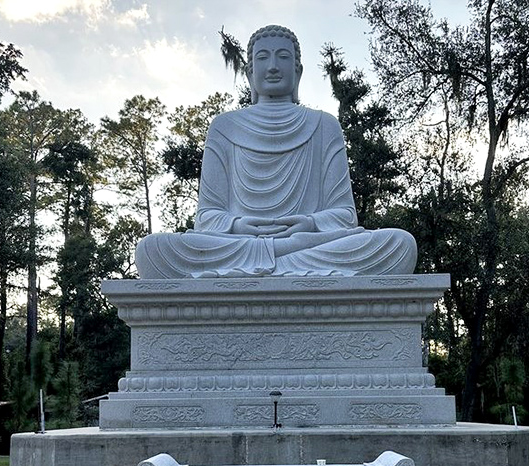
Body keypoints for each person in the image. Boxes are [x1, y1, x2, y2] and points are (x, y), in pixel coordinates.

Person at [135, 24, 417, 278]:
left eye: (283, 57)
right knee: (152, 250)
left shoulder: (324, 125)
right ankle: (278, 260)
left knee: (400, 245)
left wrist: (308, 223)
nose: (272, 66)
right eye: (262, 58)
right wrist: (237, 225)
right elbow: (208, 216)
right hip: (241, 244)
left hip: (304, 243)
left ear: (298, 71)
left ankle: (273, 260)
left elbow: (343, 215)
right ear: (249, 73)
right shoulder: (224, 127)